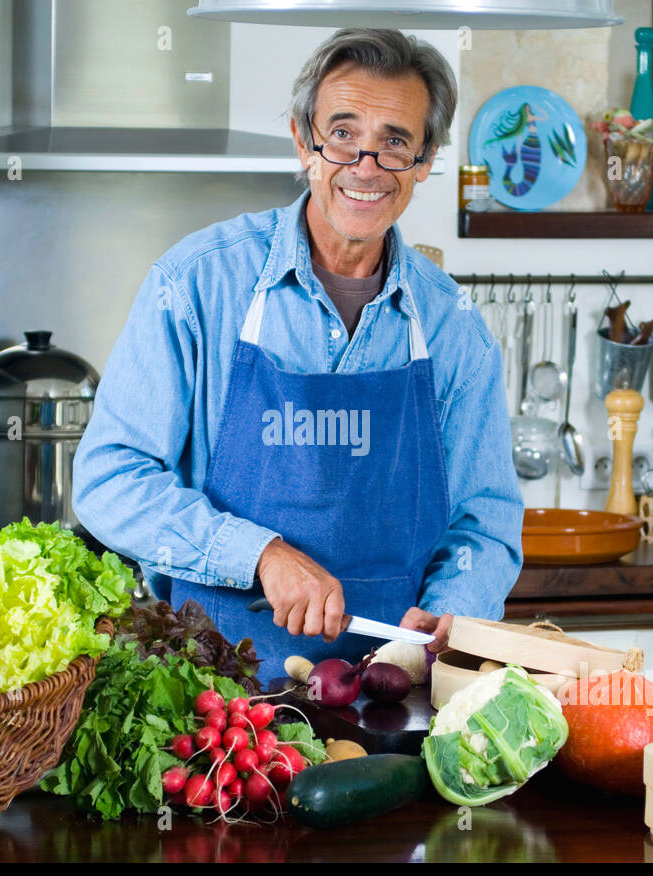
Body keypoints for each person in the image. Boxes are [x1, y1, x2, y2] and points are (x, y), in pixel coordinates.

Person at [73, 28, 522, 683]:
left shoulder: (454, 329)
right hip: (215, 702)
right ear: (302, 140)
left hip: (394, 699)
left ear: (425, 160)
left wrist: (457, 607)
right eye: (342, 133)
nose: (366, 166)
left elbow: (485, 524)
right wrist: (259, 553)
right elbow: (109, 480)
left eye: (395, 141)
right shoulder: (197, 285)